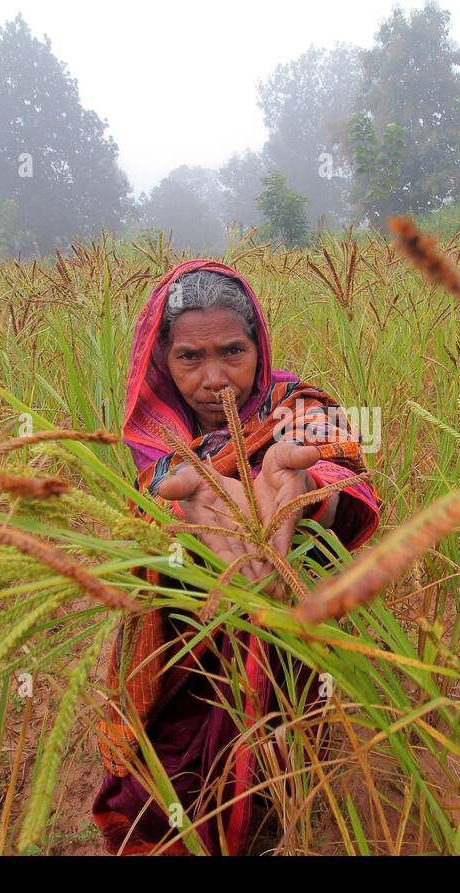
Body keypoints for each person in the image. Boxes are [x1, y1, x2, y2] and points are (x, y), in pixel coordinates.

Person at [91, 259, 380, 855]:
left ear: (260, 347)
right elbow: (154, 505)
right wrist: (182, 509)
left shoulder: (293, 404)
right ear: (163, 361)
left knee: (281, 741)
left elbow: (335, 460)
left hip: (285, 611)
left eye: (233, 351)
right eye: (190, 358)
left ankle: (282, 816)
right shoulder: (157, 434)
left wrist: (299, 497)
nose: (215, 377)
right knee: (174, 763)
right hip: (189, 631)